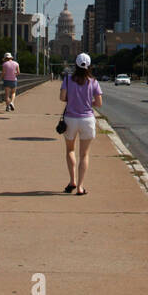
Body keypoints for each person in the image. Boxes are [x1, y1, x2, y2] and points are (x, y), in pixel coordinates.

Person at [60, 52, 102, 195]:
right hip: (87, 120)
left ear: (75, 64)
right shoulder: (94, 82)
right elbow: (99, 103)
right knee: (84, 154)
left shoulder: (67, 80)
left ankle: (72, 181)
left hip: (70, 119)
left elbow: (62, 97)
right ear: (89, 65)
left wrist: (73, 101)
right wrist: (88, 102)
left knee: (70, 150)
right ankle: (80, 187)